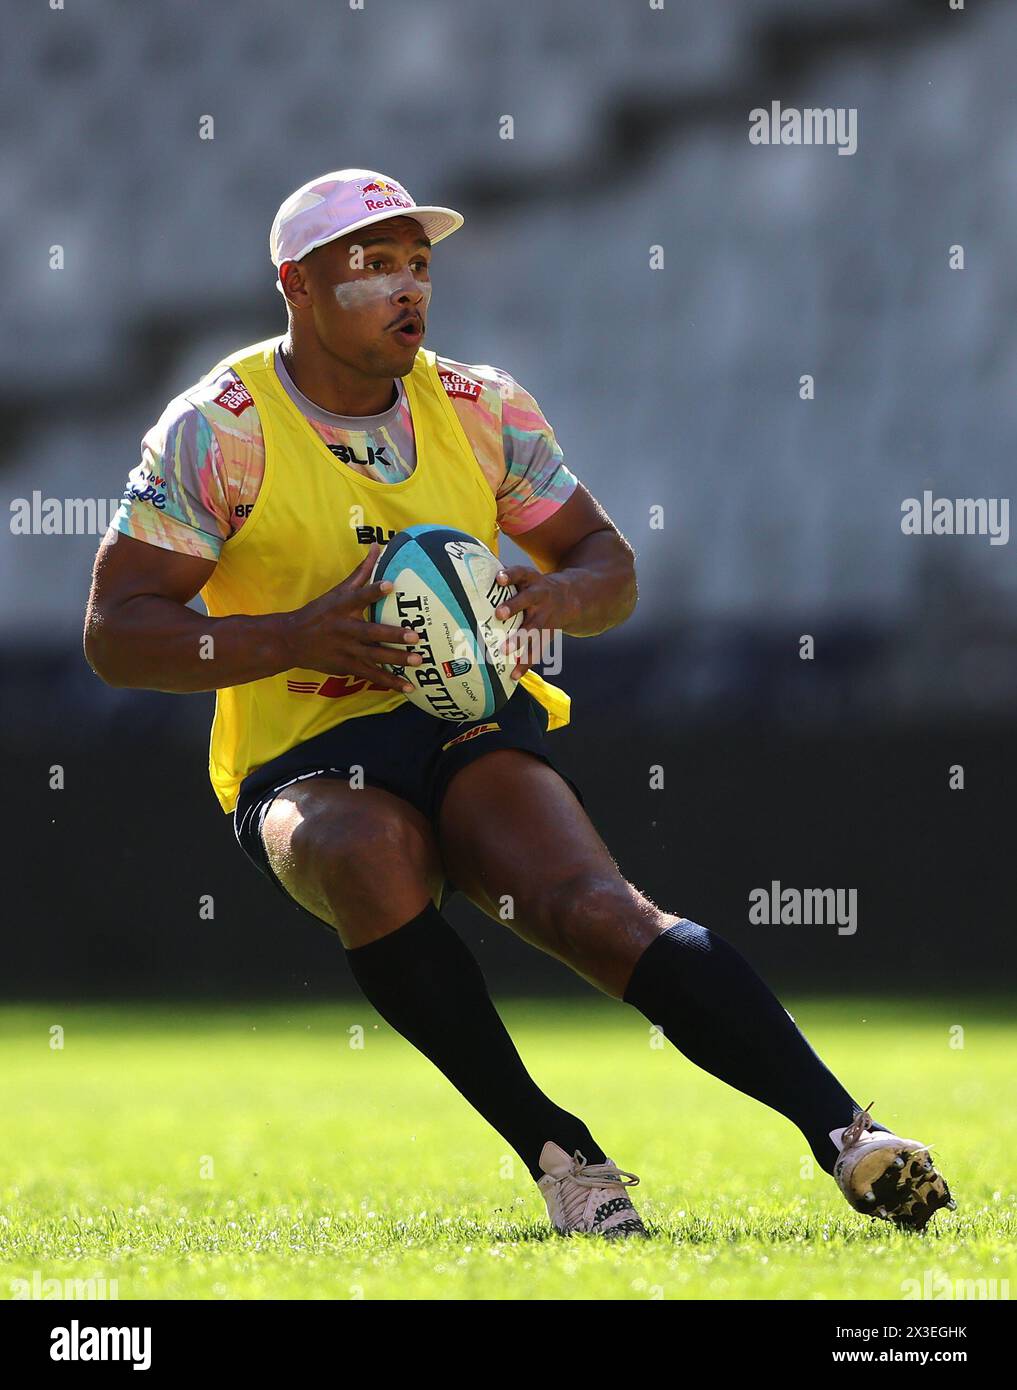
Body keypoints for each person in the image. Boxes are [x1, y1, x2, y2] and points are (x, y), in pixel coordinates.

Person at [84, 168, 954, 1237]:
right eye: (373, 266)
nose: (408, 288)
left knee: (597, 911)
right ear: (296, 286)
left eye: (419, 265)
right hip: (302, 753)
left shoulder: (480, 405)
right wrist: (298, 635)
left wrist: (549, 597)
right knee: (366, 852)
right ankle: (559, 1151)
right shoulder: (219, 429)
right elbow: (118, 632)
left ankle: (850, 1137)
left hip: (463, 717)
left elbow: (608, 563)